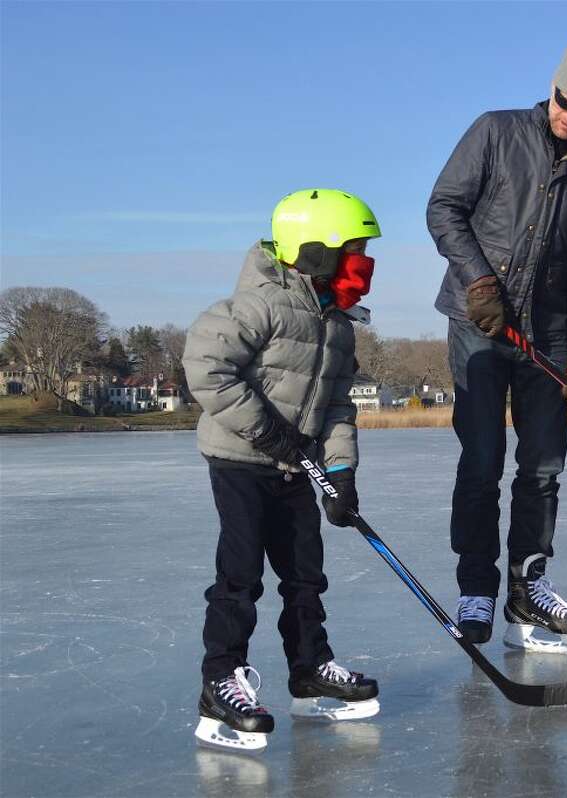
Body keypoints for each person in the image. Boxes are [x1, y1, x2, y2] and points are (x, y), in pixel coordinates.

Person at [426, 40, 567, 653]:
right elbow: (444, 209)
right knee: (482, 460)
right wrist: (480, 280)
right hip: (478, 326)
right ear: (553, 87)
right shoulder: (495, 131)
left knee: (542, 469)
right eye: (565, 103)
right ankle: (476, 586)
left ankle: (526, 588)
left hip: (550, 338)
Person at [183, 189, 383, 752]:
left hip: (297, 465)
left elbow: (339, 401)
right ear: (314, 250)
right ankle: (221, 679)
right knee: (241, 572)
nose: (363, 260)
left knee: (304, 572)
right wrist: (269, 432)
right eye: (355, 248)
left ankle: (308, 667)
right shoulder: (258, 304)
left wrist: (341, 472)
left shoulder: (336, 321)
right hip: (241, 459)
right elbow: (206, 365)